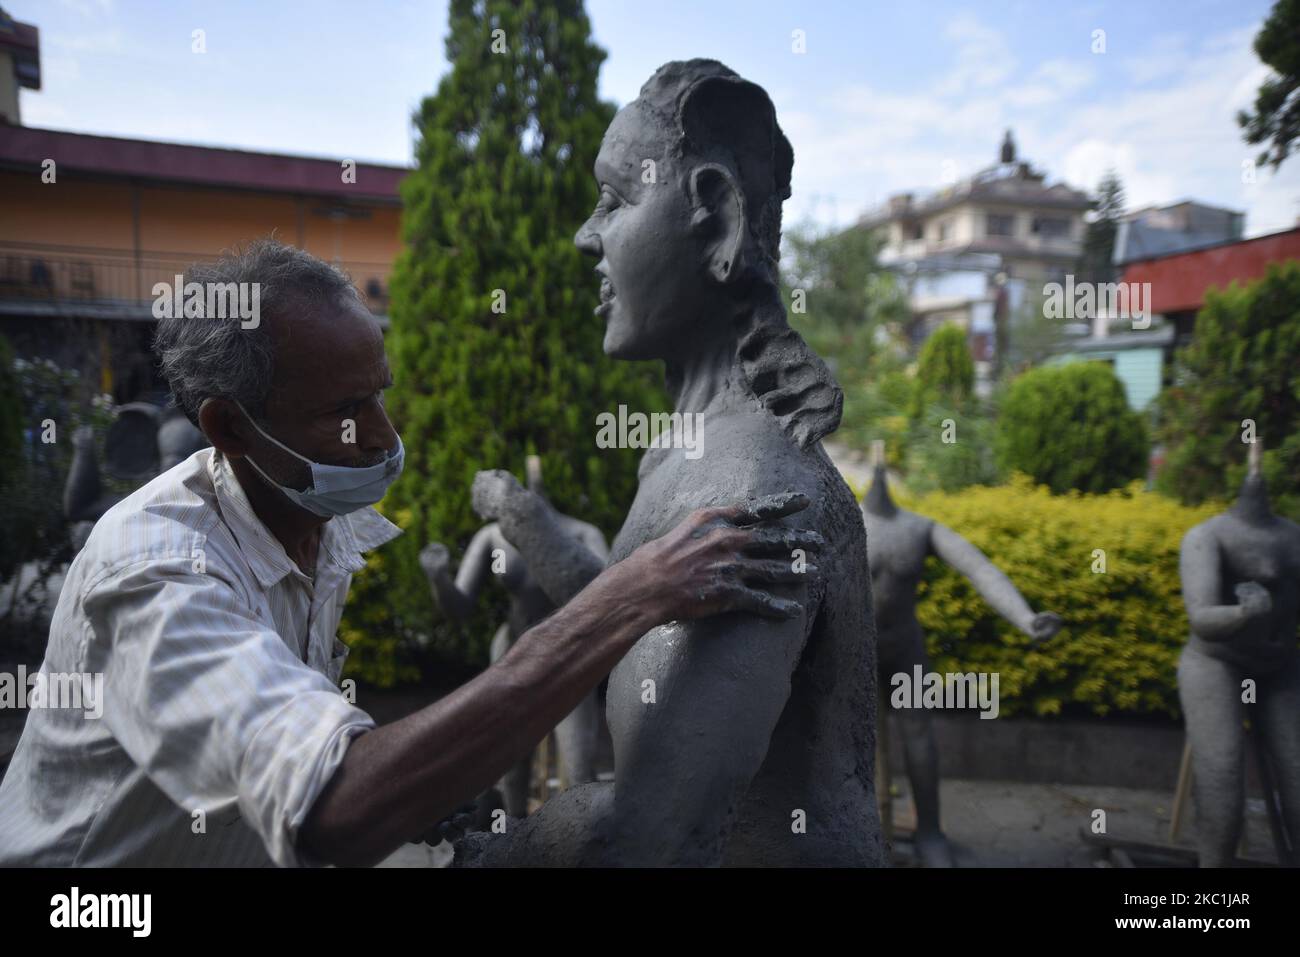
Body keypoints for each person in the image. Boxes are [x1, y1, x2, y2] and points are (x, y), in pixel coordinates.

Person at [0, 239, 819, 868]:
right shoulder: (158, 571)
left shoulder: (304, 512)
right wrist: (630, 596)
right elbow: (338, 804)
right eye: (348, 411)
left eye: (380, 393)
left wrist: (429, 795)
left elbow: (293, 745)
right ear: (230, 429)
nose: (386, 438)